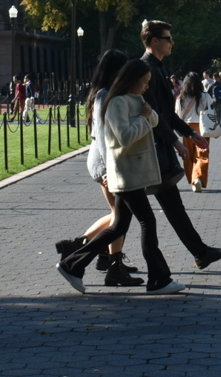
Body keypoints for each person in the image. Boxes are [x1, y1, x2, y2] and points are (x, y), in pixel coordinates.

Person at [56, 58, 184, 295]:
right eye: (144, 82)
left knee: (118, 225)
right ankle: (158, 279)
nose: (147, 87)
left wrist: (147, 114)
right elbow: (124, 137)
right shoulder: (113, 103)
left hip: (133, 173)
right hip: (125, 173)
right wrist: (143, 118)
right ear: (132, 80)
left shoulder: (135, 99)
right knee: (147, 221)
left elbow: (154, 119)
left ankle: (72, 264)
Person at [140, 20, 221, 269]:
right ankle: (80, 257)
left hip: (160, 146)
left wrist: (190, 135)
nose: (172, 42)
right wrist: (175, 141)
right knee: (126, 216)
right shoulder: (146, 68)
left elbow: (168, 114)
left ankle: (201, 252)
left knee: (170, 207)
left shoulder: (158, 68)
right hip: (149, 150)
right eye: (168, 38)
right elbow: (153, 114)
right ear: (155, 40)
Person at [55, 49, 143, 288]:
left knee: (119, 215)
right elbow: (104, 135)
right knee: (120, 216)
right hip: (105, 162)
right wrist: (107, 170)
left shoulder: (106, 93)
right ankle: (105, 261)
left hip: (106, 161)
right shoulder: (104, 94)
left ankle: (86, 249)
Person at [175, 72, 213, 192]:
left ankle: (192, 180)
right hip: (203, 128)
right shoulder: (205, 96)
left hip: (186, 128)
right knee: (202, 155)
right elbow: (211, 113)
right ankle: (198, 178)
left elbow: (177, 115)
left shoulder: (180, 98)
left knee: (188, 155)